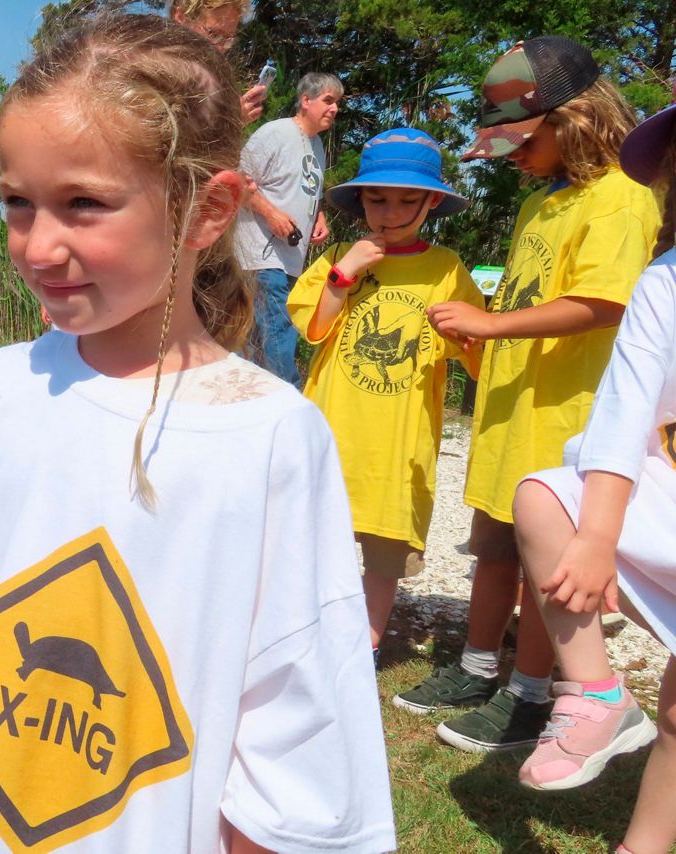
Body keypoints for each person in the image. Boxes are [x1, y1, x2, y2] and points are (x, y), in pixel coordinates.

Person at [0, 15, 395, 853]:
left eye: (85, 204)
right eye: (17, 202)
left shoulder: (271, 436)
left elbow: (296, 716)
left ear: (207, 208)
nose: (39, 244)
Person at [393, 36, 659, 756]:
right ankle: (479, 668)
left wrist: (495, 322)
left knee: (548, 567)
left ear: (571, 119)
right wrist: (486, 339)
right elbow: (530, 293)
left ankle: (533, 695)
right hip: (514, 411)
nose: (512, 158)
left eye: (522, 141)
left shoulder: (622, 201)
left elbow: (603, 303)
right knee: (496, 549)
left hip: (566, 418)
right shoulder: (542, 205)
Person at [510, 101, 676, 854]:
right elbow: (623, 410)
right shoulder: (666, 285)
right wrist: (598, 535)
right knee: (545, 498)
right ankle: (596, 694)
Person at [287, 128, 483, 659]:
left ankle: (364, 644)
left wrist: (463, 331)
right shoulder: (345, 259)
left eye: (405, 200)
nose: (389, 212)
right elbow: (315, 330)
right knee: (312, 537)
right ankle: (305, 631)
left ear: (432, 201)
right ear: (360, 200)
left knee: (384, 552)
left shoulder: (446, 269)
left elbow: (479, 353)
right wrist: (342, 274)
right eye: (377, 198)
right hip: (333, 432)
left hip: (398, 442)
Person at [235, 71, 342, 385]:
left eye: (337, 103)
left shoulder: (317, 145)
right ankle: (290, 399)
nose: (334, 109)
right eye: (328, 100)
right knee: (278, 336)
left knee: (259, 341)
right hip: (260, 256)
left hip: (290, 258)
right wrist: (271, 214)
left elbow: (306, 190)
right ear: (306, 101)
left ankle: (255, 406)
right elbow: (235, 181)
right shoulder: (275, 133)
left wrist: (318, 217)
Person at [168, 0, 265, 123]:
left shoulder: (209, 81)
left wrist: (236, 120)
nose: (220, 49)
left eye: (228, 40)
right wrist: (229, 123)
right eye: (213, 34)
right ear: (181, 17)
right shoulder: (153, 68)